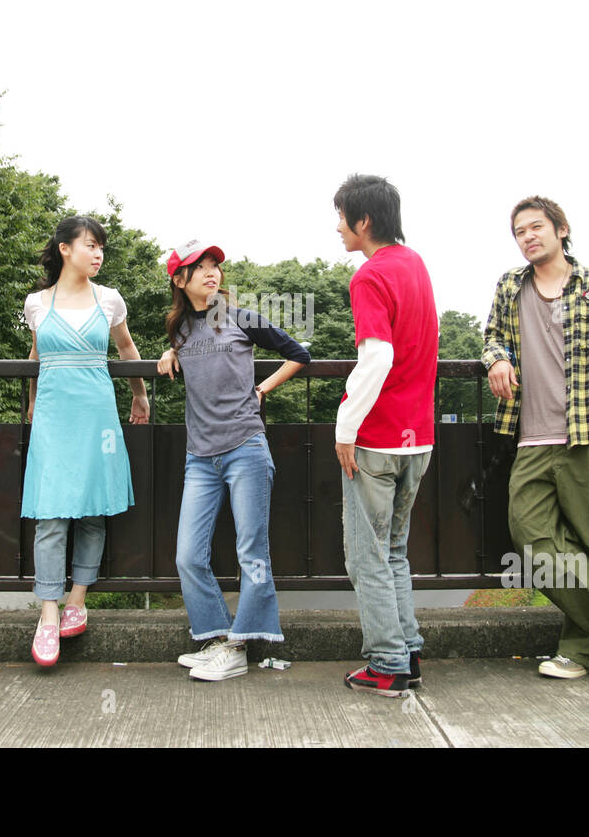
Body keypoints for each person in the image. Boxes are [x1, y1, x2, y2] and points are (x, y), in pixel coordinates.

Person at [482, 196, 589, 680]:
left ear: (561, 230)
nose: (528, 237)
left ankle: (583, 651)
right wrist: (496, 358)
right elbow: (492, 335)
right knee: (532, 540)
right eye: (519, 231)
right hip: (530, 437)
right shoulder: (510, 286)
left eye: (537, 227)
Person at [157, 240, 308, 681]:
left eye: (214, 266)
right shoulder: (180, 331)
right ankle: (218, 638)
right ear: (179, 280)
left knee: (251, 552)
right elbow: (180, 350)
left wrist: (263, 389)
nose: (211, 273)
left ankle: (240, 648)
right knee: (188, 555)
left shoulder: (241, 318)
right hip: (199, 458)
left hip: (245, 449)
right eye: (198, 267)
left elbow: (298, 353)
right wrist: (169, 352)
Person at [21, 215, 148, 668]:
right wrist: (33, 404)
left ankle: (78, 598)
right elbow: (35, 358)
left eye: (101, 248)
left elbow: (127, 350)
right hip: (54, 416)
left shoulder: (109, 299)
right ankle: (49, 614)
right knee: (51, 514)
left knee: (92, 510)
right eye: (90, 245)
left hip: (97, 415)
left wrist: (140, 396)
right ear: (64, 249)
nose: (97, 254)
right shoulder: (37, 303)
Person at [332, 175, 438, 697]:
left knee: (365, 556)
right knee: (394, 549)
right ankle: (408, 652)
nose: (338, 227)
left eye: (341, 216)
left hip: (376, 439)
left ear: (363, 221)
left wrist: (345, 426)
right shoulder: (414, 263)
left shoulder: (369, 276)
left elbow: (377, 355)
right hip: (418, 438)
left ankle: (388, 665)